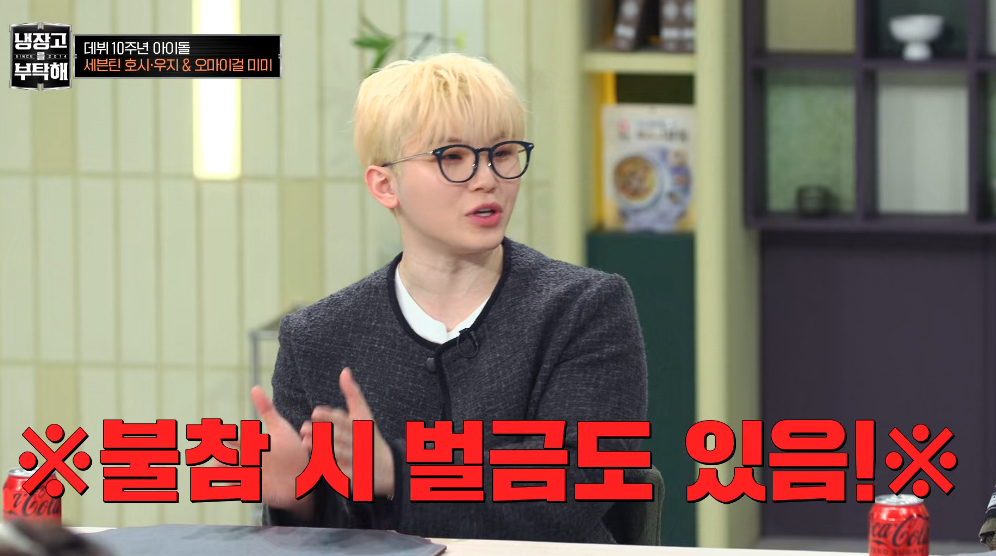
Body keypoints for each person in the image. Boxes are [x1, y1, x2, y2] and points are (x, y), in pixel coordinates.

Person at [253, 52, 649, 544]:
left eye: (503, 152)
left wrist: (399, 473)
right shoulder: (317, 338)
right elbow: (313, 535)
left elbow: (578, 486)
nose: (488, 178)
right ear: (385, 185)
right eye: (453, 157)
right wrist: (294, 500)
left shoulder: (584, 308)